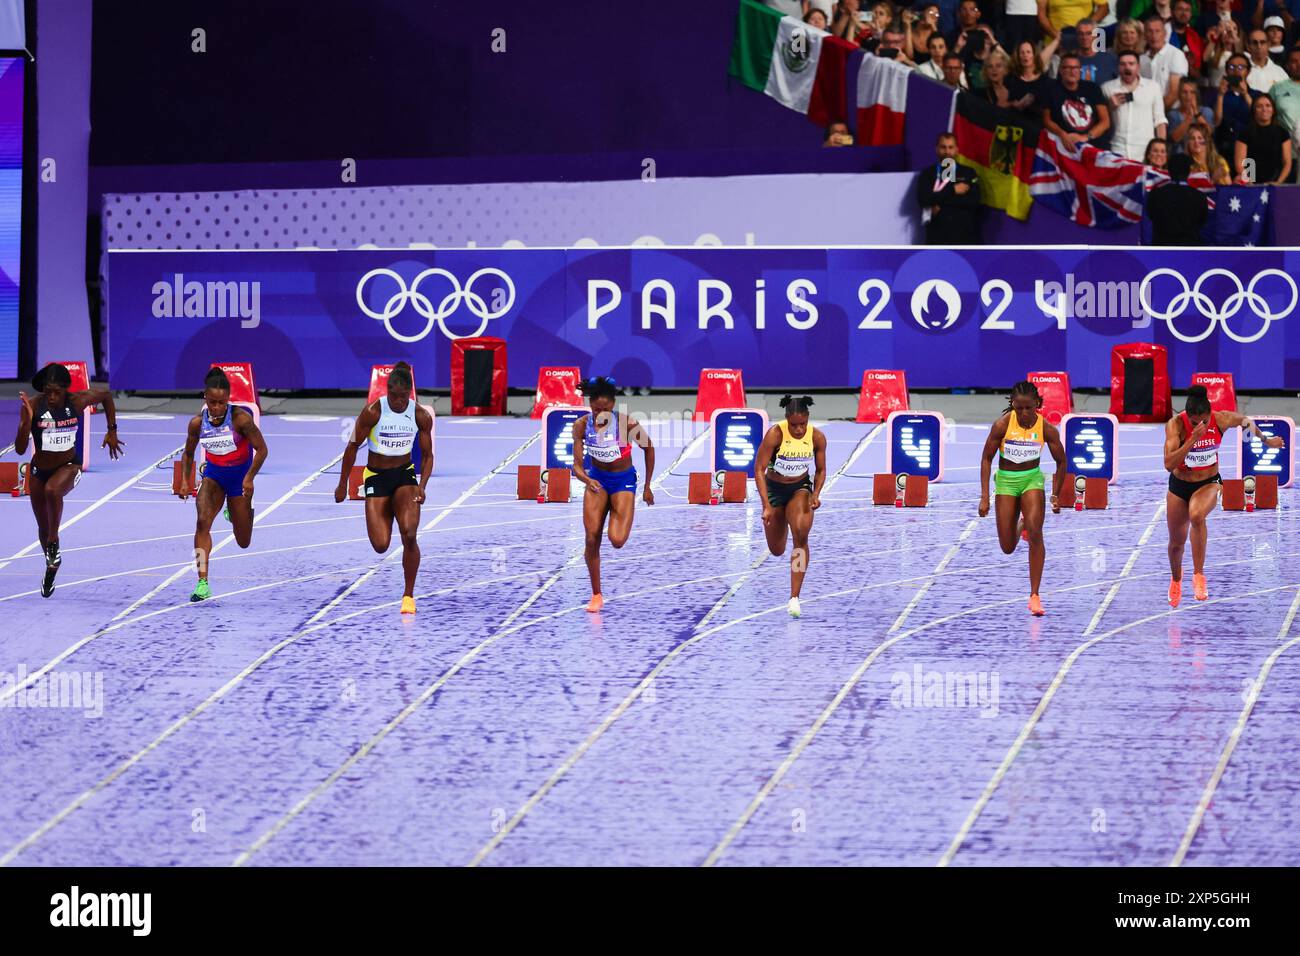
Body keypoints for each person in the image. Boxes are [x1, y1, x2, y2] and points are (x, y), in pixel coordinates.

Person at [1163, 384, 1284, 606]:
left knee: (1197, 515)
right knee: (1175, 543)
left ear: (1210, 415)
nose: (1200, 425)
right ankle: (1176, 579)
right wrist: (1191, 440)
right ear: (1187, 417)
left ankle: (1199, 576)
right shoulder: (1175, 425)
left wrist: (1267, 441)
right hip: (1179, 485)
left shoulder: (1222, 419)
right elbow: (1169, 464)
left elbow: (1246, 422)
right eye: (1194, 422)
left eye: (1204, 421)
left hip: (1208, 483)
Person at [14, 362, 125, 597]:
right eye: (48, 391)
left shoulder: (77, 401)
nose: (52, 397)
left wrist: (112, 430)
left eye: (57, 392)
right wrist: (26, 421)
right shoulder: (33, 405)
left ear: (66, 389)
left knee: (53, 491)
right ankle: (51, 566)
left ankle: (54, 542)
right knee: (42, 527)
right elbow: (22, 449)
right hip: (38, 471)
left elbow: (106, 396)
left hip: (69, 466)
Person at [334, 361, 433, 615]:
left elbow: (428, 455)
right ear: (386, 391)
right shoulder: (372, 412)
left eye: (403, 397)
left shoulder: (419, 415)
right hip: (377, 477)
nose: (398, 402)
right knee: (380, 545)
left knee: (410, 533)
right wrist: (342, 483)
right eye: (393, 396)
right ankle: (387, 508)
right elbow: (352, 447)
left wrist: (422, 485)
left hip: (404, 476)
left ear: (410, 394)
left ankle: (408, 596)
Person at [178, 367, 269, 602]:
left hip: (240, 480)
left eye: (221, 402)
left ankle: (242, 508)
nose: (217, 407)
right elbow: (188, 454)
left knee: (243, 541)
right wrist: (186, 481)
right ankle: (202, 582)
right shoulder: (197, 424)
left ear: (228, 399)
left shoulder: (240, 419)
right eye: (212, 402)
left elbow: (262, 450)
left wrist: (249, 478)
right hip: (214, 477)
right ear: (205, 398)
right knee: (201, 523)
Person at [978, 381, 1068, 617]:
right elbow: (986, 459)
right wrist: (985, 497)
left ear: (1038, 405)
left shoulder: (1046, 428)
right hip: (1007, 480)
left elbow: (1062, 462)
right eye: (1019, 408)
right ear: (1013, 405)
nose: (1024, 414)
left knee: (1037, 532)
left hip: (1032, 480)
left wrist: (1056, 494)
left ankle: (1035, 595)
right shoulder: (1002, 426)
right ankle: (1022, 524)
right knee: (1007, 547)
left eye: (1029, 408)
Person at [571, 376, 655, 614]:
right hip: (597, 481)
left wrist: (647, 486)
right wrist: (587, 479)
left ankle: (619, 510)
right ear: (590, 406)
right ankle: (596, 594)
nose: (601, 414)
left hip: (623, 481)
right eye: (597, 409)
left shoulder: (627, 425)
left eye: (606, 410)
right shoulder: (581, 425)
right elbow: (576, 466)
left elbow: (649, 448)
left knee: (617, 540)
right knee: (590, 538)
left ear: (613, 406)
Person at [753, 395, 827, 619]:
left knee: (801, 537)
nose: (798, 429)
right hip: (775, 490)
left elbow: (821, 470)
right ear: (786, 420)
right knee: (777, 550)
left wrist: (815, 494)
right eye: (793, 425)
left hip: (799, 489)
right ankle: (781, 517)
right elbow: (759, 470)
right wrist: (766, 505)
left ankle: (794, 597)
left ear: (808, 419)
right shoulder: (775, 434)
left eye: (802, 424)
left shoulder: (817, 437)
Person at [916, 132, 981, 243]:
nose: (947, 151)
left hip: (964, 236)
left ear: (957, 150)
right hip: (937, 236)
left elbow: (974, 201)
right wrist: (953, 190)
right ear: (937, 149)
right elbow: (923, 199)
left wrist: (939, 201)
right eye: (943, 147)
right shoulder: (927, 174)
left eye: (951, 147)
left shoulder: (968, 173)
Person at [1104, 50, 1169, 158]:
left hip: (1145, 149)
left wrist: (1161, 150)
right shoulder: (1107, 88)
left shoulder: (1153, 87)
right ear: (1118, 67)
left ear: (1138, 67)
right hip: (1117, 148)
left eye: (1131, 64)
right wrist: (1109, 107)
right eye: (1123, 64)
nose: (1127, 67)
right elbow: (1101, 121)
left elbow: (1160, 120)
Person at [1044, 51, 1113, 145]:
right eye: (1068, 68)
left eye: (1076, 67)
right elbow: (1047, 120)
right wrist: (1061, 134)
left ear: (1080, 70)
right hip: (1064, 144)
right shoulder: (1051, 90)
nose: (1072, 71)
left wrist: (1085, 137)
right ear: (1060, 70)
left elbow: (1105, 122)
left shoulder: (1093, 88)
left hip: (1092, 145)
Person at [1146, 152, 1211, 243]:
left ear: (1169, 170)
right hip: (1190, 249)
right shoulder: (1199, 197)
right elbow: (1202, 221)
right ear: (1188, 171)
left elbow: (1151, 215)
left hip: (1162, 249)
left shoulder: (1156, 194)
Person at [1234, 91, 1293, 180]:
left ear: (1273, 110)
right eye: (1259, 106)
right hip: (1251, 183)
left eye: (1268, 105)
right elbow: (1240, 161)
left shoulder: (1282, 133)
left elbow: (1287, 163)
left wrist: (1278, 183)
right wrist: (1249, 182)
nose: (1264, 109)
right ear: (1254, 110)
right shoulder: (1245, 133)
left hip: (1276, 183)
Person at [1142, 14, 1191, 108]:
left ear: (1164, 33)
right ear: (1144, 35)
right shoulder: (1141, 59)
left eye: (1157, 31)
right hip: (1147, 111)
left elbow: (1174, 94)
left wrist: (1157, 113)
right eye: (1150, 31)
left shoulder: (1176, 55)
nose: (1154, 35)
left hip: (1171, 111)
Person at [1167, 76, 1217, 148]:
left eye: (1192, 92)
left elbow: (1209, 134)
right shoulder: (1173, 114)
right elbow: (1175, 138)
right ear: (1179, 95)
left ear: (1197, 94)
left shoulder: (1206, 111)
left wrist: (1196, 113)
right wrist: (1189, 118)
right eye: (1185, 92)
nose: (1188, 96)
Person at [1270, 48, 1300, 156]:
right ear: (1287, 65)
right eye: (1294, 61)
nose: (1299, 64)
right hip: (1286, 154)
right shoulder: (1277, 88)